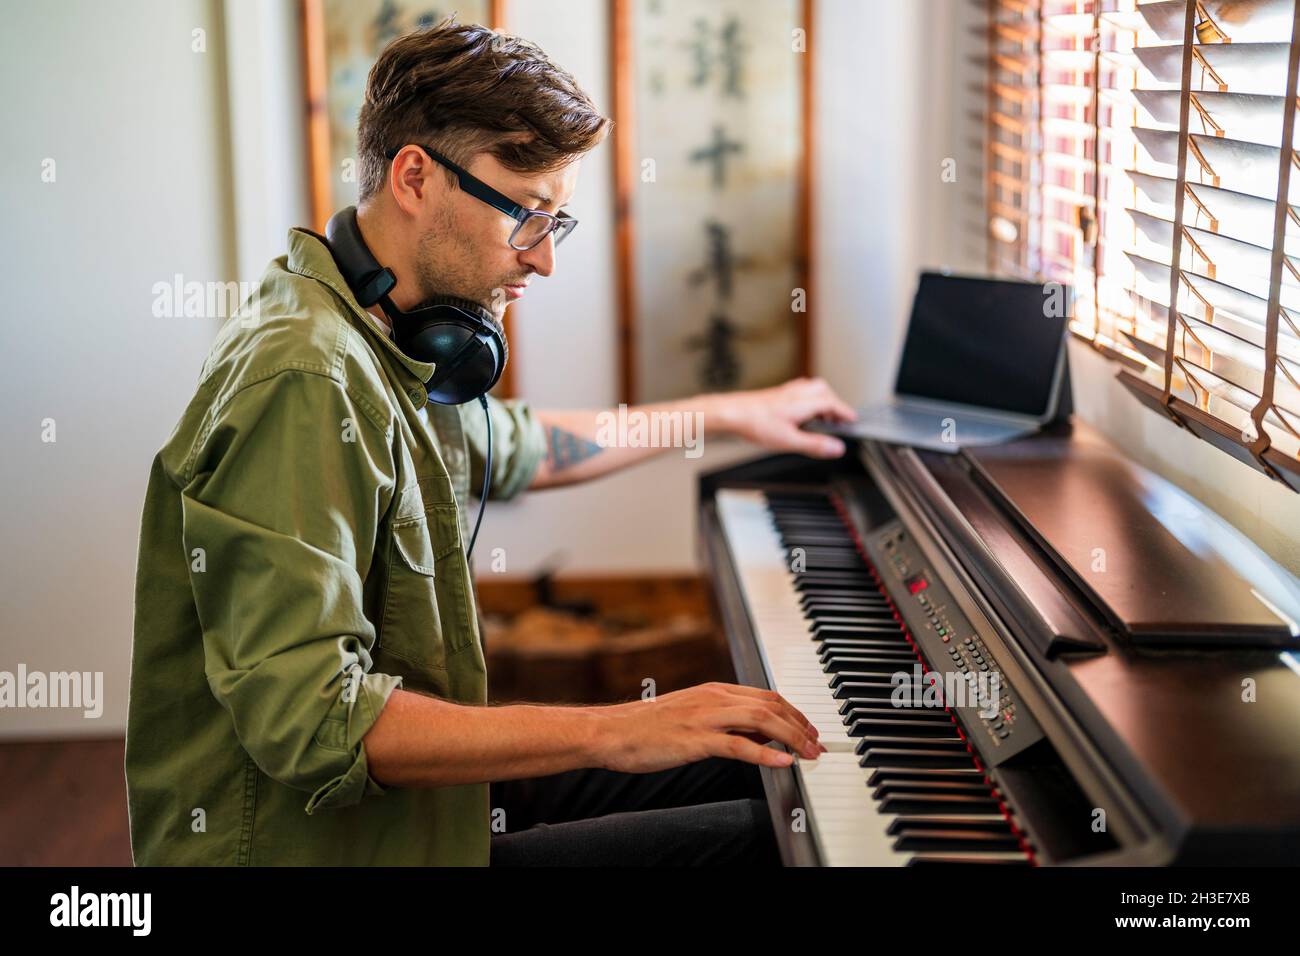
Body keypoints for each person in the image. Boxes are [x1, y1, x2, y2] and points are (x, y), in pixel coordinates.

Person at [125, 18, 856, 866]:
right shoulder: (307, 380)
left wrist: (729, 413)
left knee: (755, 777)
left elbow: (519, 446)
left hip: (396, 816)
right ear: (414, 178)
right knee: (761, 843)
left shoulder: (390, 330)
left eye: (558, 223)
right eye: (530, 216)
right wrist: (622, 728)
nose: (544, 261)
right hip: (323, 848)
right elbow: (315, 722)